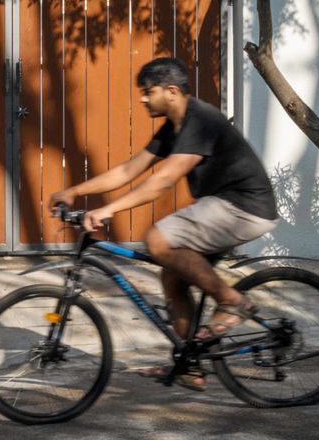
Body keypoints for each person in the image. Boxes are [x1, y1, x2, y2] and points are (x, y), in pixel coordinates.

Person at [49, 56, 279, 386]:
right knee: (172, 277)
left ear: (171, 91)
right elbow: (128, 171)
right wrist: (73, 191)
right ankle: (190, 365)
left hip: (244, 208)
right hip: (224, 207)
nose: (142, 99)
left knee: (157, 239)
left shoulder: (200, 121)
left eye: (147, 92)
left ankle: (232, 300)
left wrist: (107, 210)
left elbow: (163, 181)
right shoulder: (174, 128)